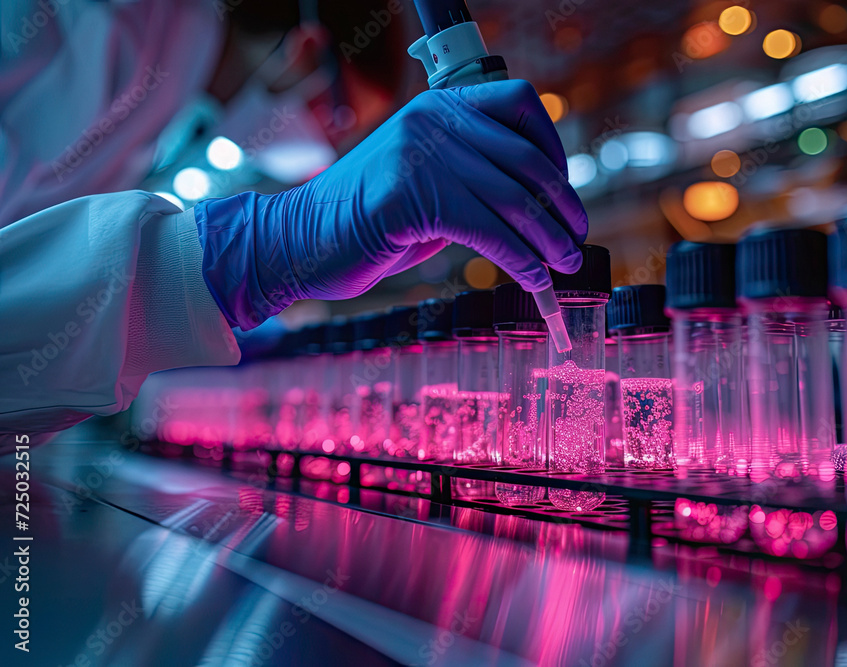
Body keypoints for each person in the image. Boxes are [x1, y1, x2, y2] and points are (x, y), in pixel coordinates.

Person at [0, 0, 588, 447]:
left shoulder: (158, 109)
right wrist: (261, 251)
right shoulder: (74, 33)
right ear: (304, 52)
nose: (328, 157)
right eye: (340, 120)